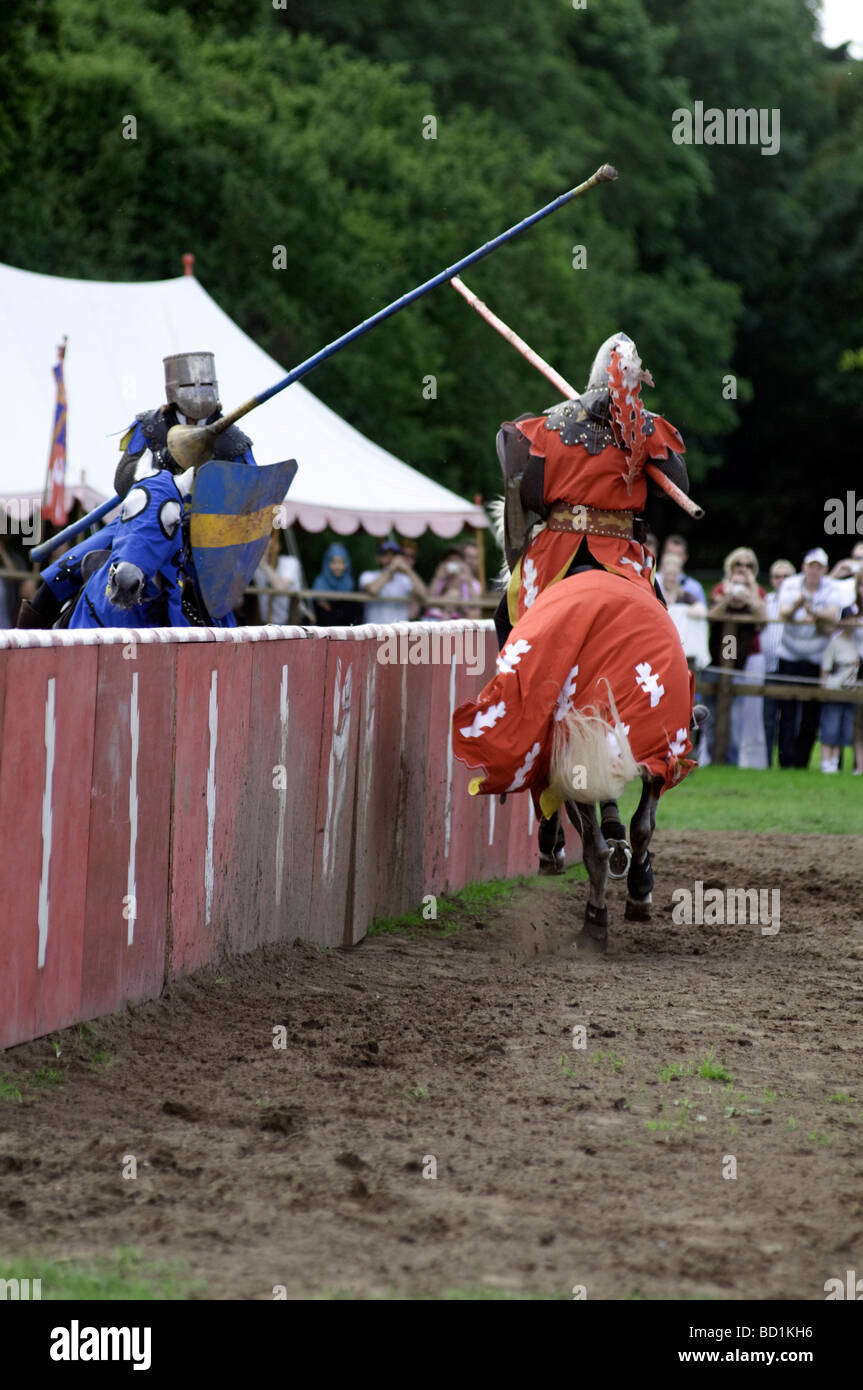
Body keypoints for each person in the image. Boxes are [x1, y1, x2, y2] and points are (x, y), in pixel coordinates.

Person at [18, 351, 257, 629]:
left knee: (215, 612)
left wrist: (206, 518)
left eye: (205, 385)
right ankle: (24, 648)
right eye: (190, 385)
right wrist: (161, 464)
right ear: (173, 389)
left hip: (199, 539)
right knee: (62, 574)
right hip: (138, 525)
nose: (198, 392)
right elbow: (122, 482)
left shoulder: (233, 442)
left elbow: (248, 501)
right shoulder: (152, 426)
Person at [775, 548, 842, 768]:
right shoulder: (791, 584)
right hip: (789, 654)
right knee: (787, 712)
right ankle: (786, 761)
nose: (814, 571)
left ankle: (802, 761)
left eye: (819, 567)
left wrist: (810, 610)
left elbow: (832, 616)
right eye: (811, 566)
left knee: (811, 714)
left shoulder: (832, 588)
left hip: (816, 657)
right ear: (804, 567)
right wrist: (802, 605)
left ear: (825, 569)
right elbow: (784, 612)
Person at [705, 548, 768, 767]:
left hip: (743, 661)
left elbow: (763, 619)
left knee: (737, 717)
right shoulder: (721, 589)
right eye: (738, 565)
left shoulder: (757, 592)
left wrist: (749, 592)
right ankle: (712, 758)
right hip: (716, 659)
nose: (743, 569)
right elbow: (710, 616)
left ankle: (730, 761)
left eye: (749, 565)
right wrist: (728, 597)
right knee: (712, 716)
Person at [761, 558, 796, 765]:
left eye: (786, 576)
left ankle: (788, 761)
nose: (781, 580)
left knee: (790, 718)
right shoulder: (766, 601)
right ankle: (764, 760)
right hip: (767, 667)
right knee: (767, 718)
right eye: (777, 576)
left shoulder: (797, 603)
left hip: (789, 664)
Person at [657, 550, 709, 670]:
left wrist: (680, 611)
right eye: (668, 574)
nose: (670, 578)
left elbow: (702, 611)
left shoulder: (684, 595)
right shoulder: (656, 593)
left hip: (683, 649)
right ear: (662, 572)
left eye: (674, 575)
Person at [359, 539, 427, 623]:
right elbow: (373, 590)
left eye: (393, 555)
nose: (390, 558)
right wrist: (391, 568)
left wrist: (408, 570)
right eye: (385, 554)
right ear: (378, 558)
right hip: (375, 632)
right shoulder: (368, 575)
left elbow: (423, 595)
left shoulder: (405, 580)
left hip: (400, 633)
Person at [253, 528, 302, 625]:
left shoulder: (290, 563)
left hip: (290, 623)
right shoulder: (256, 568)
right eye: (264, 548)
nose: (268, 552)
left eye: (270, 548)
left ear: (278, 547)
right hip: (265, 623)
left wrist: (265, 565)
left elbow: (280, 587)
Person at [424, 547, 482, 620]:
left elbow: (476, 606)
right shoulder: (440, 580)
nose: (453, 564)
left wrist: (468, 580)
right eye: (450, 560)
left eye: (456, 561)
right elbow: (427, 603)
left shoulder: (471, 583)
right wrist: (437, 578)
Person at [311, 543, 356, 626]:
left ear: (347, 564)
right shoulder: (319, 584)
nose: (338, 566)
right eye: (334, 562)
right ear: (327, 563)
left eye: (341, 562)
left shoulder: (351, 584)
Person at [659, 534, 707, 607]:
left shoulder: (694, 588)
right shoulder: (651, 580)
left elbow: (703, 614)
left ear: (685, 557)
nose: (673, 558)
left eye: (678, 555)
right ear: (663, 555)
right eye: (670, 553)